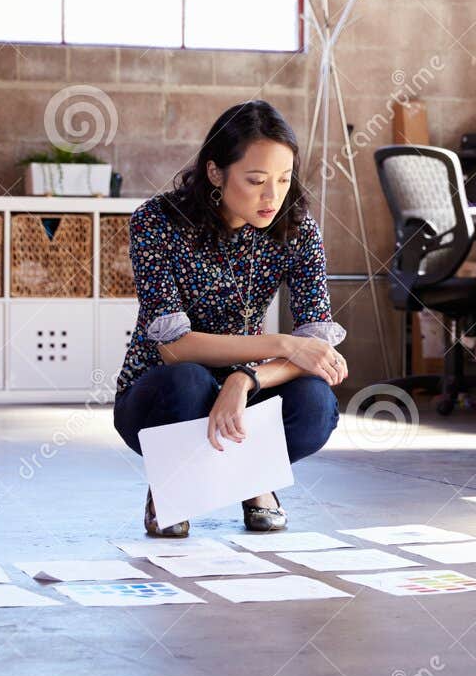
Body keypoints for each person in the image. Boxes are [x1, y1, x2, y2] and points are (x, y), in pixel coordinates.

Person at [112, 99, 347, 538]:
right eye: (256, 180)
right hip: (163, 391)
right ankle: (172, 482)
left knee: (315, 403)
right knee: (189, 381)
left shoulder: (297, 229)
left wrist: (246, 378)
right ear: (215, 173)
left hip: (246, 391)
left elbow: (316, 349)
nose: (272, 196)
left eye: (283, 179)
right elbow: (175, 348)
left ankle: (253, 478)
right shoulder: (157, 222)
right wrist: (282, 343)